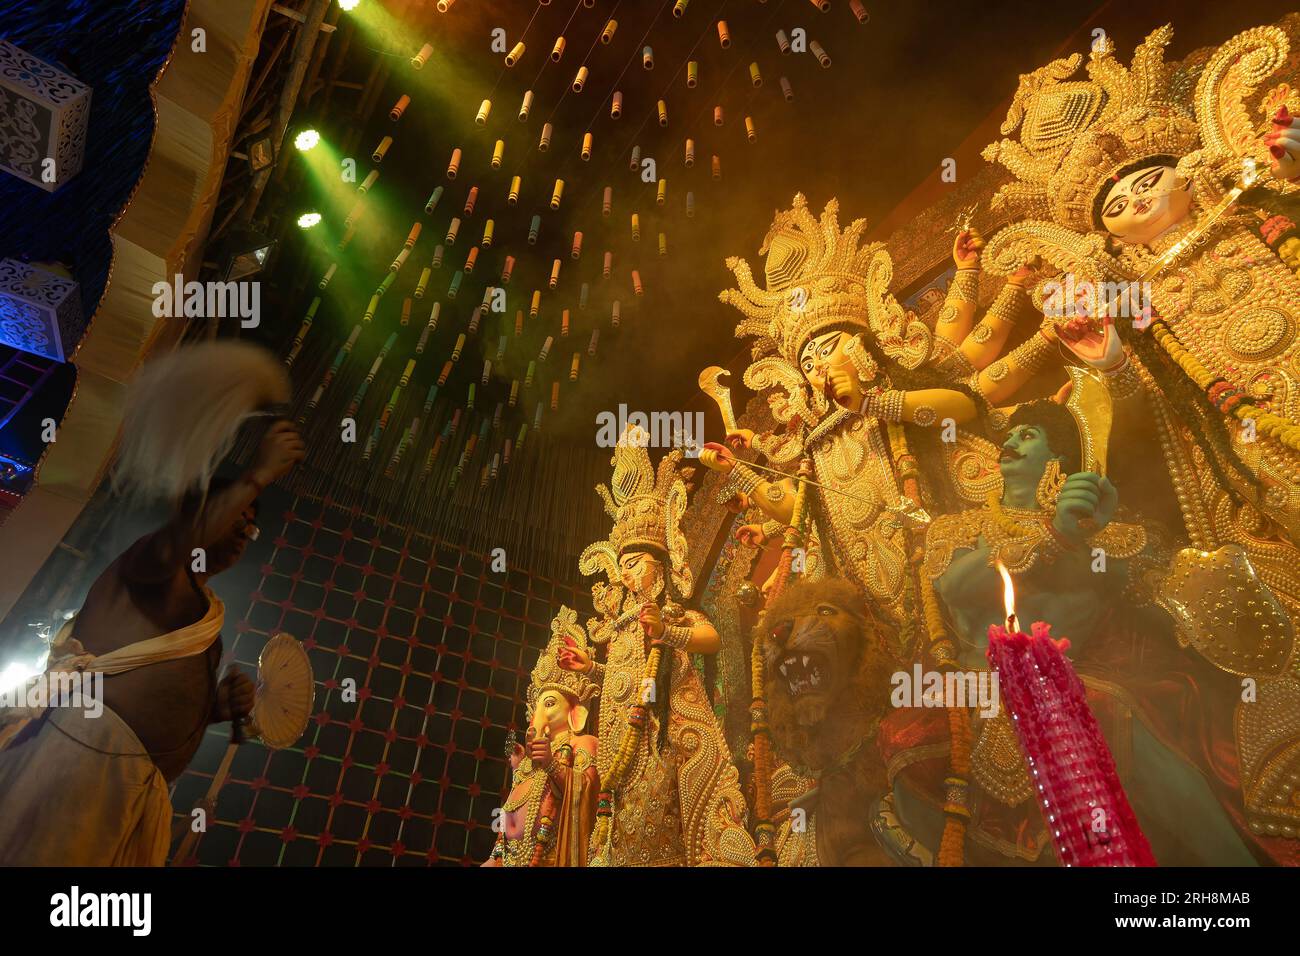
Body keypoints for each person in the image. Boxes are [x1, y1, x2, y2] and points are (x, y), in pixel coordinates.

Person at [0, 341, 302, 866]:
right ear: (200, 511)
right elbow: (183, 540)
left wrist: (214, 710)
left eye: (254, 523)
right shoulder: (153, 564)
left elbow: (153, 702)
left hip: (132, 789)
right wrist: (258, 473)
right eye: (240, 511)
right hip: (77, 763)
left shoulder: (206, 617)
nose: (247, 528)